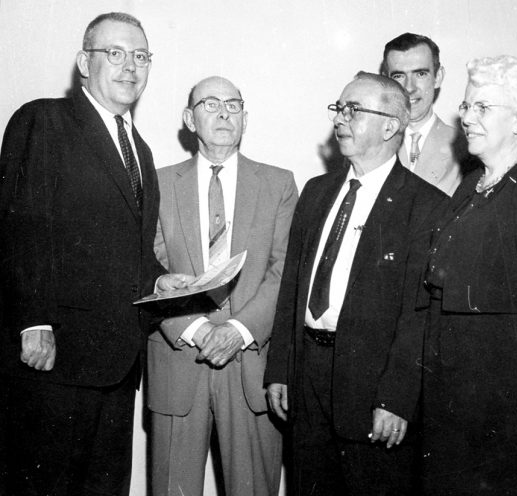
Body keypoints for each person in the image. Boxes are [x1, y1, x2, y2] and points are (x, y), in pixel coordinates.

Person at [0, 12, 163, 495]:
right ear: (83, 62)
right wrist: (34, 321)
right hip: (54, 359)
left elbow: (130, 253)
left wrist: (161, 282)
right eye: (115, 53)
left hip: (117, 365)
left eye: (140, 56)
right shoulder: (44, 119)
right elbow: (17, 226)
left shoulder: (141, 149)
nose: (130, 66)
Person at [264, 72, 447, 495]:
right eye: (339, 108)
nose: (339, 120)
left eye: (353, 110)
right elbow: (292, 285)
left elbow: (418, 317)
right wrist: (280, 369)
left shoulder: (425, 206)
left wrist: (397, 398)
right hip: (307, 378)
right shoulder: (315, 192)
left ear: (390, 126)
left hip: (372, 389)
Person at [418, 55, 517, 495]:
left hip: (504, 407)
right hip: (451, 399)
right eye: (466, 107)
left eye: (483, 107)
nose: (467, 118)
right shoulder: (471, 185)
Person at [147, 76, 297, 496]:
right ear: (188, 118)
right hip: (179, 358)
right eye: (210, 103)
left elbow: (284, 269)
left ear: (245, 117)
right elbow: (150, 265)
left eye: (234, 104)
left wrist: (239, 331)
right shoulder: (156, 183)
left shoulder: (279, 184)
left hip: (252, 364)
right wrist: (194, 329)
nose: (224, 112)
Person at [381, 32, 469, 195]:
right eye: (399, 76)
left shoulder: (465, 148)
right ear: (386, 82)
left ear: (438, 77)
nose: (409, 87)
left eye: (420, 74)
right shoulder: (372, 145)